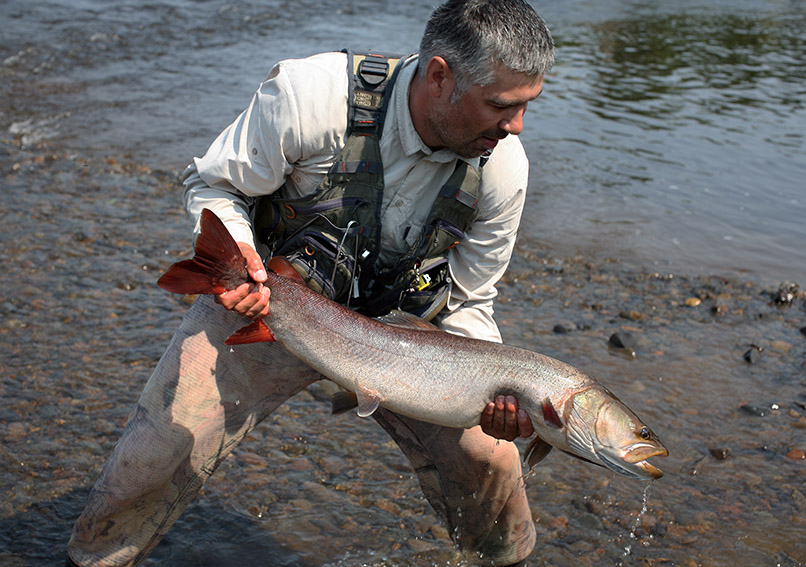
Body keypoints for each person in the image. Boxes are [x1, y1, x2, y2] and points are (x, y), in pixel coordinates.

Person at [66, 0, 554, 565]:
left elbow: (470, 299)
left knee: (494, 465)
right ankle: (93, 558)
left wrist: (490, 388)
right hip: (269, 303)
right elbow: (214, 185)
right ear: (440, 75)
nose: (516, 126)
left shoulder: (503, 165)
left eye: (526, 106)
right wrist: (242, 256)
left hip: (401, 343)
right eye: (501, 105)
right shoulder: (310, 96)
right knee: (161, 453)